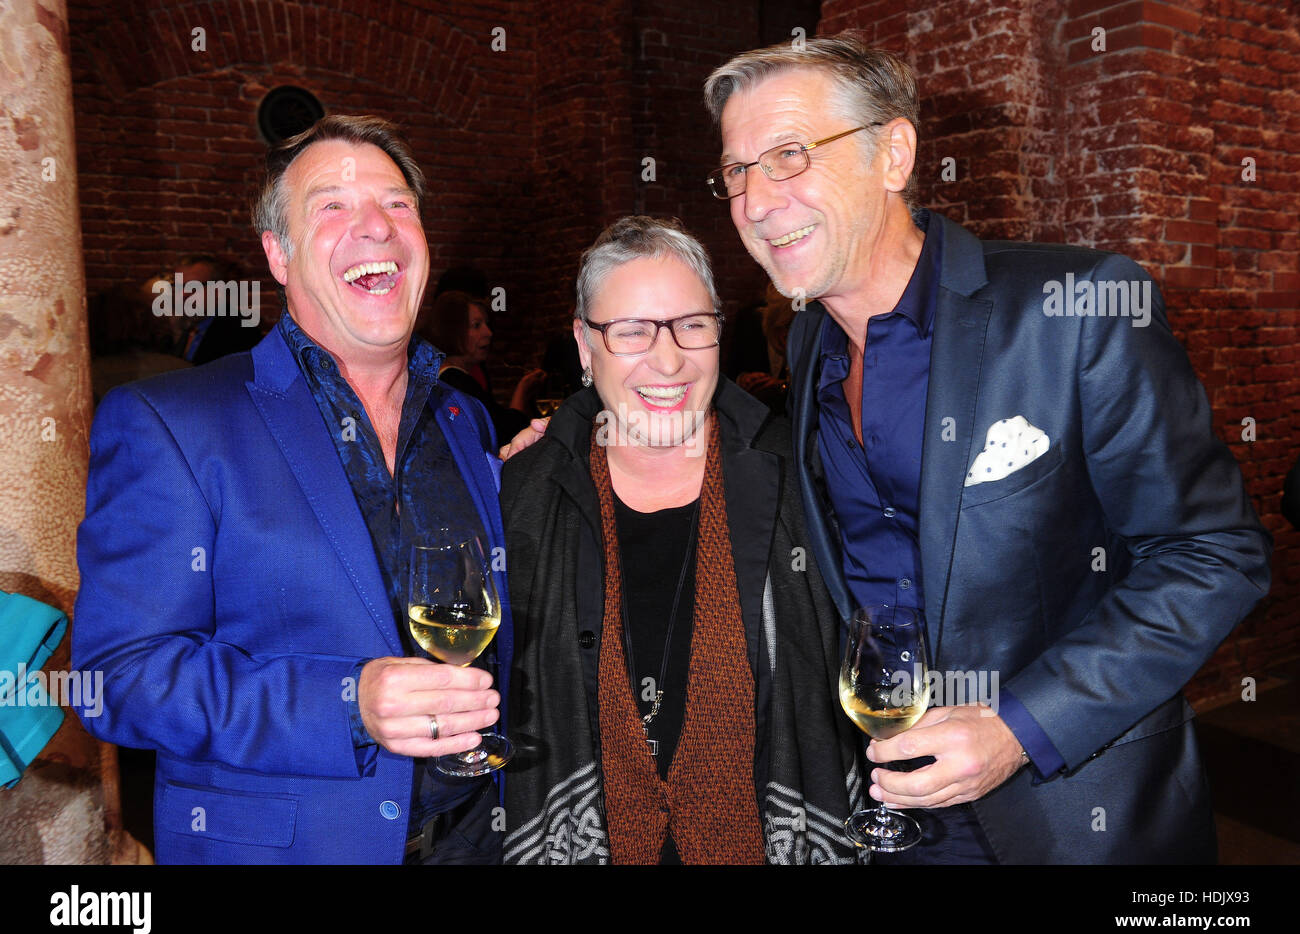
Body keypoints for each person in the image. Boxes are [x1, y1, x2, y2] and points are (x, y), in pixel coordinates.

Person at [701, 34, 1271, 864]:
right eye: (736, 172)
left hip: (1076, 813)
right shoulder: (808, 344)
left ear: (893, 152)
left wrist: (1019, 724)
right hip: (891, 804)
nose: (754, 200)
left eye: (788, 156)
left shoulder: (1077, 308)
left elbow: (1215, 552)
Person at [74, 115, 510, 864]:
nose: (375, 225)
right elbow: (116, 678)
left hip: (477, 840)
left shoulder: (462, 419)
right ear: (278, 253)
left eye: (397, 203)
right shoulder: (172, 422)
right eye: (333, 206)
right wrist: (347, 702)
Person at [500, 216, 863, 865]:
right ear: (585, 346)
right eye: (632, 330)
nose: (668, 360)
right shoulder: (522, 493)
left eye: (692, 325)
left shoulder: (798, 473)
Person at [421, 290, 545, 442]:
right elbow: (507, 433)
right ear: (453, 331)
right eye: (476, 325)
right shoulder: (456, 382)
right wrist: (523, 390)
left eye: (486, 324)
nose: (488, 333)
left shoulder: (444, 376)